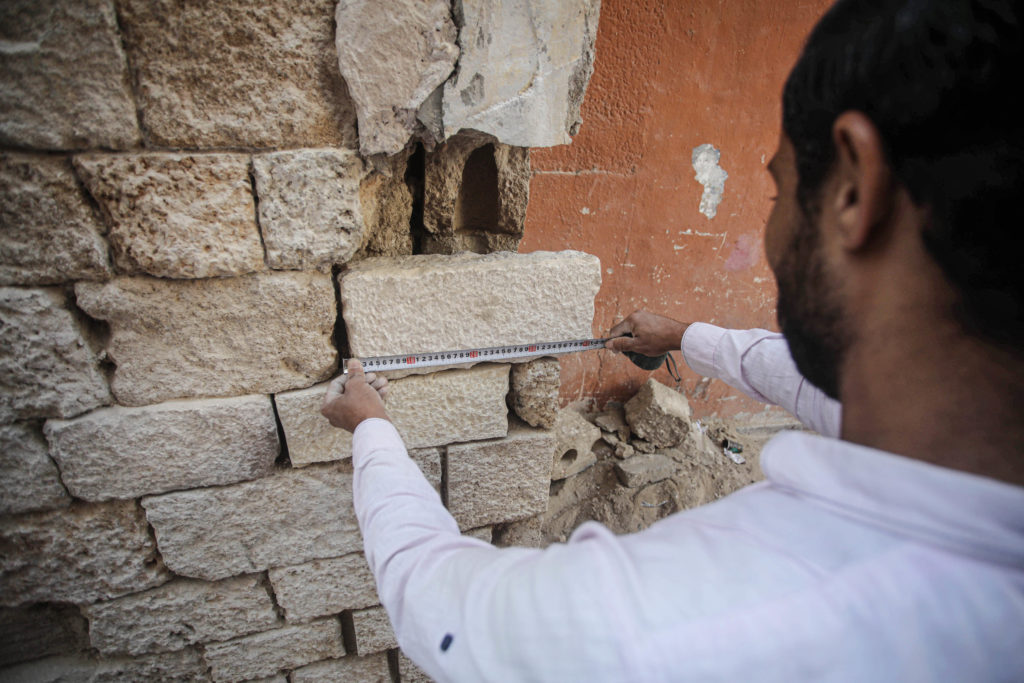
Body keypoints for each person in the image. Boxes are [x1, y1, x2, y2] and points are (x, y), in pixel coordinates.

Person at [321, 0, 1024, 679]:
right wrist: (688, 335)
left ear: (852, 190)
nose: (774, 225)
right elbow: (810, 386)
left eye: (777, 194)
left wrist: (374, 432)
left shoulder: (692, 622)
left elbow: (449, 611)